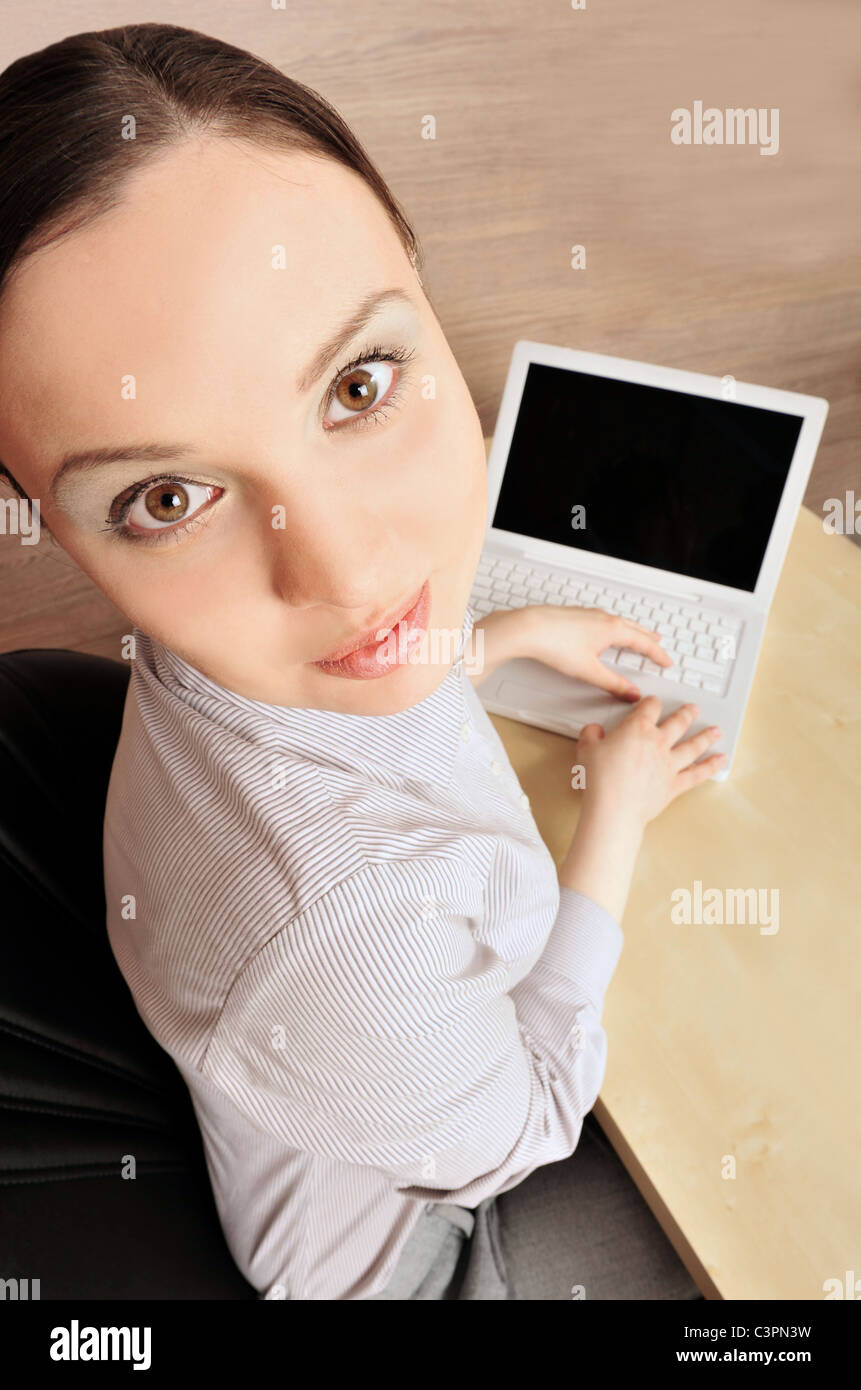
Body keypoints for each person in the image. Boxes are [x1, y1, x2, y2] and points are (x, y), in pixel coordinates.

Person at [0, 22, 719, 1299]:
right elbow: (526, 1127)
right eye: (168, 498)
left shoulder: (215, 656)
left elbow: (378, 685)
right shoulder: (343, 935)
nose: (346, 572)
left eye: (359, 384)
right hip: (420, 1246)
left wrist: (490, 642)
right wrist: (613, 817)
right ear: (45, 519)